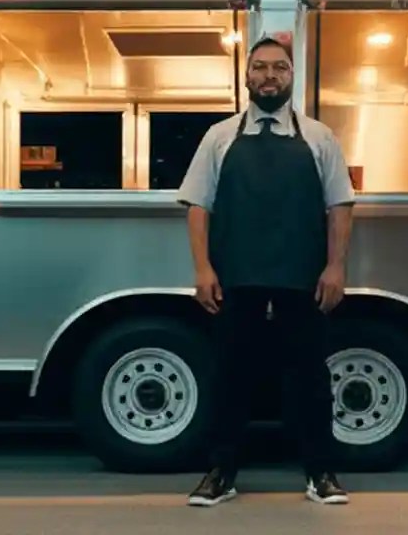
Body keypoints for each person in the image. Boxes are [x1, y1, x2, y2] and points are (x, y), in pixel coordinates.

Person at [175, 31, 356, 506]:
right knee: (231, 376)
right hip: (236, 278)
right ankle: (221, 473)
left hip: (304, 278)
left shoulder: (319, 136)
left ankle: (321, 473)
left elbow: (340, 206)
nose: (269, 75)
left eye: (279, 67)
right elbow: (198, 206)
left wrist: (336, 267)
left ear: (291, 76)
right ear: (247, 76)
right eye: (260, 67)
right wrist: (202, 269)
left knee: (310, 379)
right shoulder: (219, 136)